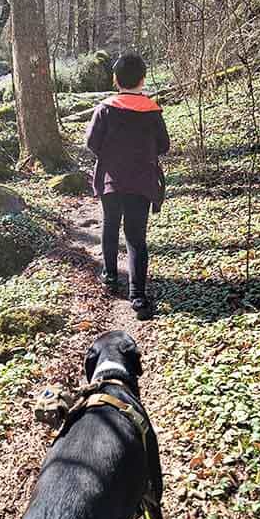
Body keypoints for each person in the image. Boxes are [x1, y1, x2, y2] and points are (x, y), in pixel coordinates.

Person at [85, 52, 170, 321]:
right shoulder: (153, 111)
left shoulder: (105, 109)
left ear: (115, 80)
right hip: (142, 183)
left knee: (110, 226)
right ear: (143, 80)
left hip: (111, 181)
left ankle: (110, 277)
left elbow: (91, 143)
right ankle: (138, 295)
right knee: (136, 237)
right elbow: (164, 146)